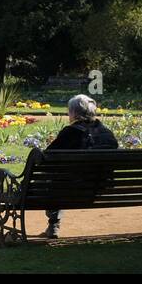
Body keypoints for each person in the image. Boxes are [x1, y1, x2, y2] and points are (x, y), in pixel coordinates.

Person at [40, 94, 118, 239]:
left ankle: (54, 224)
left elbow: (45, 159)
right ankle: (53, 225)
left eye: (69, 111)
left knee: (52, 181)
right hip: (101, 188)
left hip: (71, 189)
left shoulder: (70, 133)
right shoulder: (107, 134)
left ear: (75, 113)